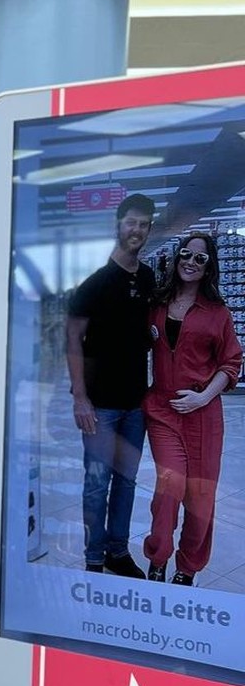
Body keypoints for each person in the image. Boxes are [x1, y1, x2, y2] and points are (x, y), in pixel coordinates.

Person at [143, 231, 242, 586]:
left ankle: (187, 569)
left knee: (200, 497)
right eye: (187, 253)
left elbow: (231, 363)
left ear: (209, 266)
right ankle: (158, 557)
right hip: (162, 410)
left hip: (203, 416)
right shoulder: (157, 304)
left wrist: (203, 397)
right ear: (177, 257)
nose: (191, 261)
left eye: (201, 258)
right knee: (171, 484)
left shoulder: (218, 314)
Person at [65, 194, 157, 576]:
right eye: (131, 222)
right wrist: (80, 398)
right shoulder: (94, 284)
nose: (137, 230)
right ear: (118, 225)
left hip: (136, 404)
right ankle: (93, 557)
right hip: (100, 406)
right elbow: (72, 341)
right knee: (96, 484)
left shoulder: (149, 278)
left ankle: (118, 552)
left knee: (127, 481)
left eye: (144, 224)